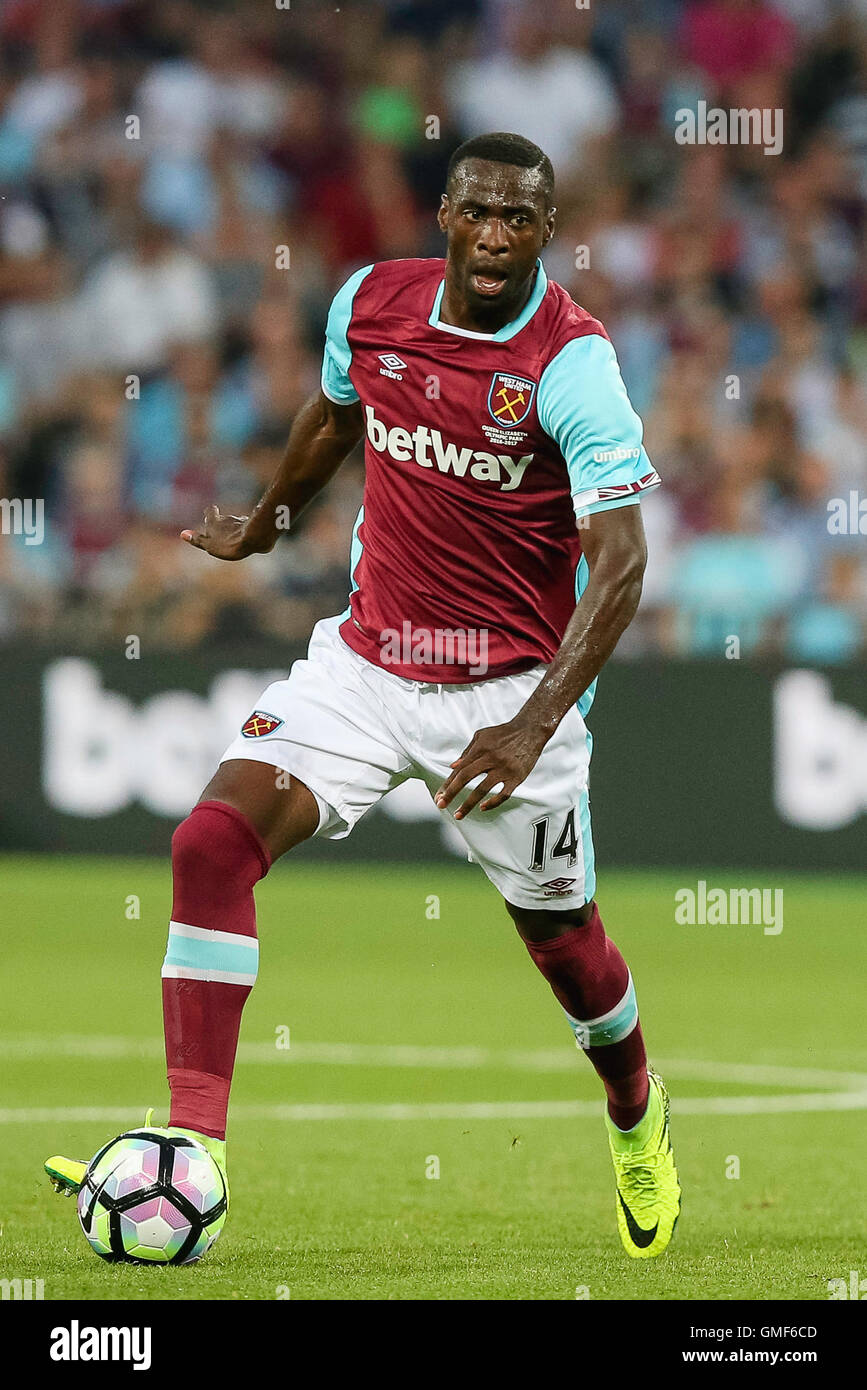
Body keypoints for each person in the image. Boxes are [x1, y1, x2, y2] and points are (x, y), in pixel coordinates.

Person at [46, 132, 680, 1260]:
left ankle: (636, 1112)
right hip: (365, 665)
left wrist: (533, 725)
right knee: (208, 844)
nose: (496, 235)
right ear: (444, 212)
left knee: (569, 951)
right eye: (478, 212)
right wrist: (265, 516)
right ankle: (198, 1148)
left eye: (521, 219)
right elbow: (336, 418)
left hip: (508, 694)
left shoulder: (572, 363)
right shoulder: (370, 304)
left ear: (546, 231)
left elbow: (622, 561)